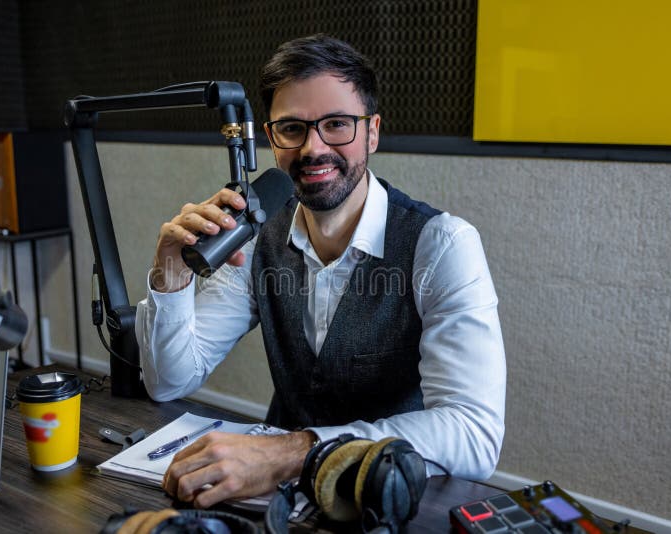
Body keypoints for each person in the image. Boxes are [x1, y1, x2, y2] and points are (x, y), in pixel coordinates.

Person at [135, 34, 505, 509]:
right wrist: (170, 268)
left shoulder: (443, 244)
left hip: (390, 498)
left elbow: (474, 435)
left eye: (336, 124)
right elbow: (168, 381)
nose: (313, 149)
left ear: (371, 131)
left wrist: (291, 452)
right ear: (271, 138)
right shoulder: (258, 235)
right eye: (292, 128)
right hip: (276, 501)